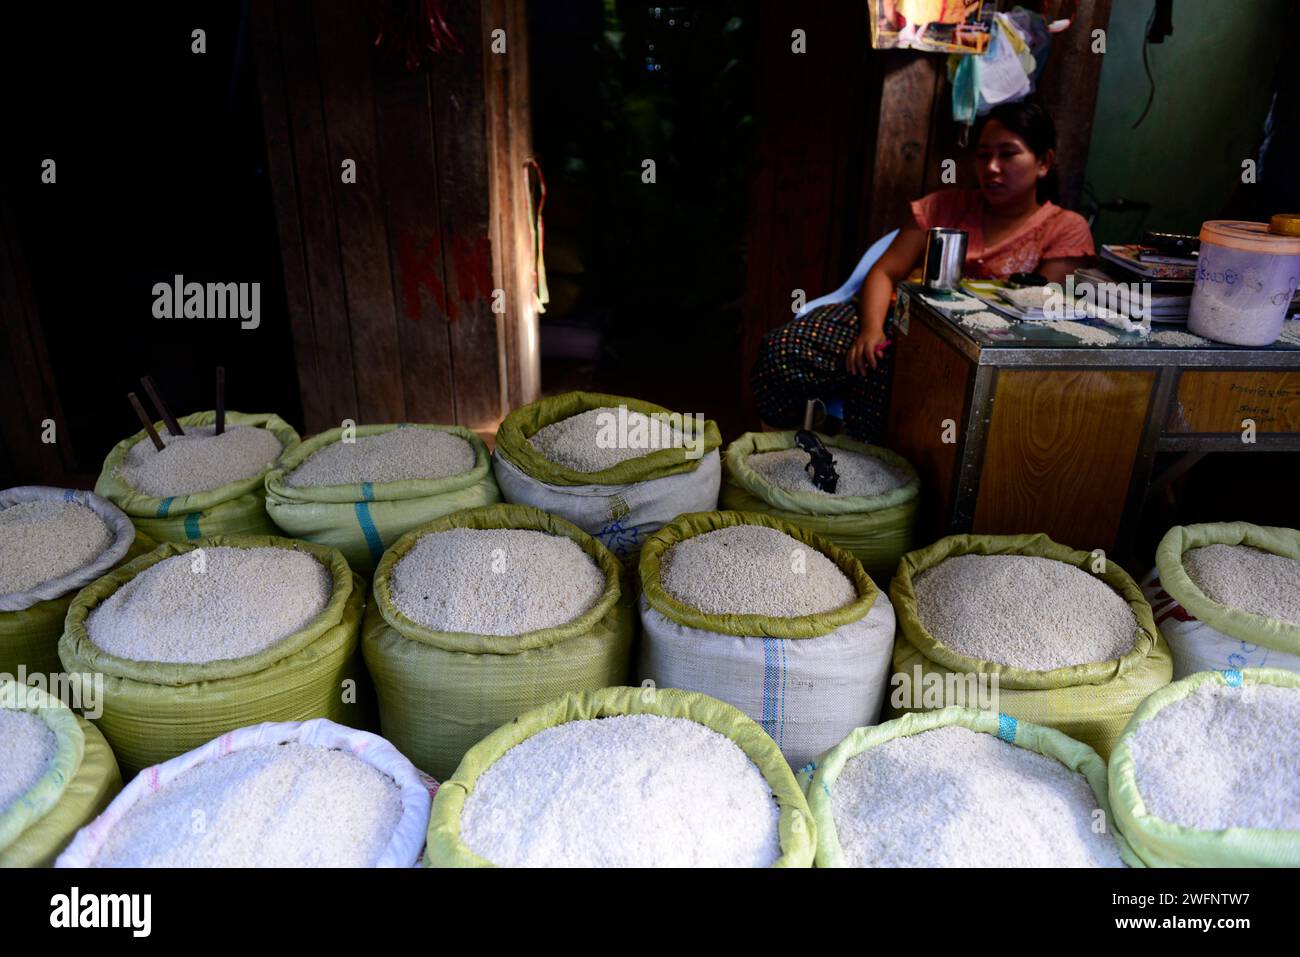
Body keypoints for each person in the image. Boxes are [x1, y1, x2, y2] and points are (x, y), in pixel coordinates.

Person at [752, 100, 1095, 441]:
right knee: (783, 349)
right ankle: (785, 455)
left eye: (1008, 154)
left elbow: (1038, 315)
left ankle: (860, 469)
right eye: (983, 155)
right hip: (891, 320)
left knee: (886, 377)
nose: (991, 167)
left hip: (970, 355)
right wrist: (870, 331)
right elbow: (885, 272)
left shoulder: (1064, 228)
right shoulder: (942, 207)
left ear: (1043, 162)